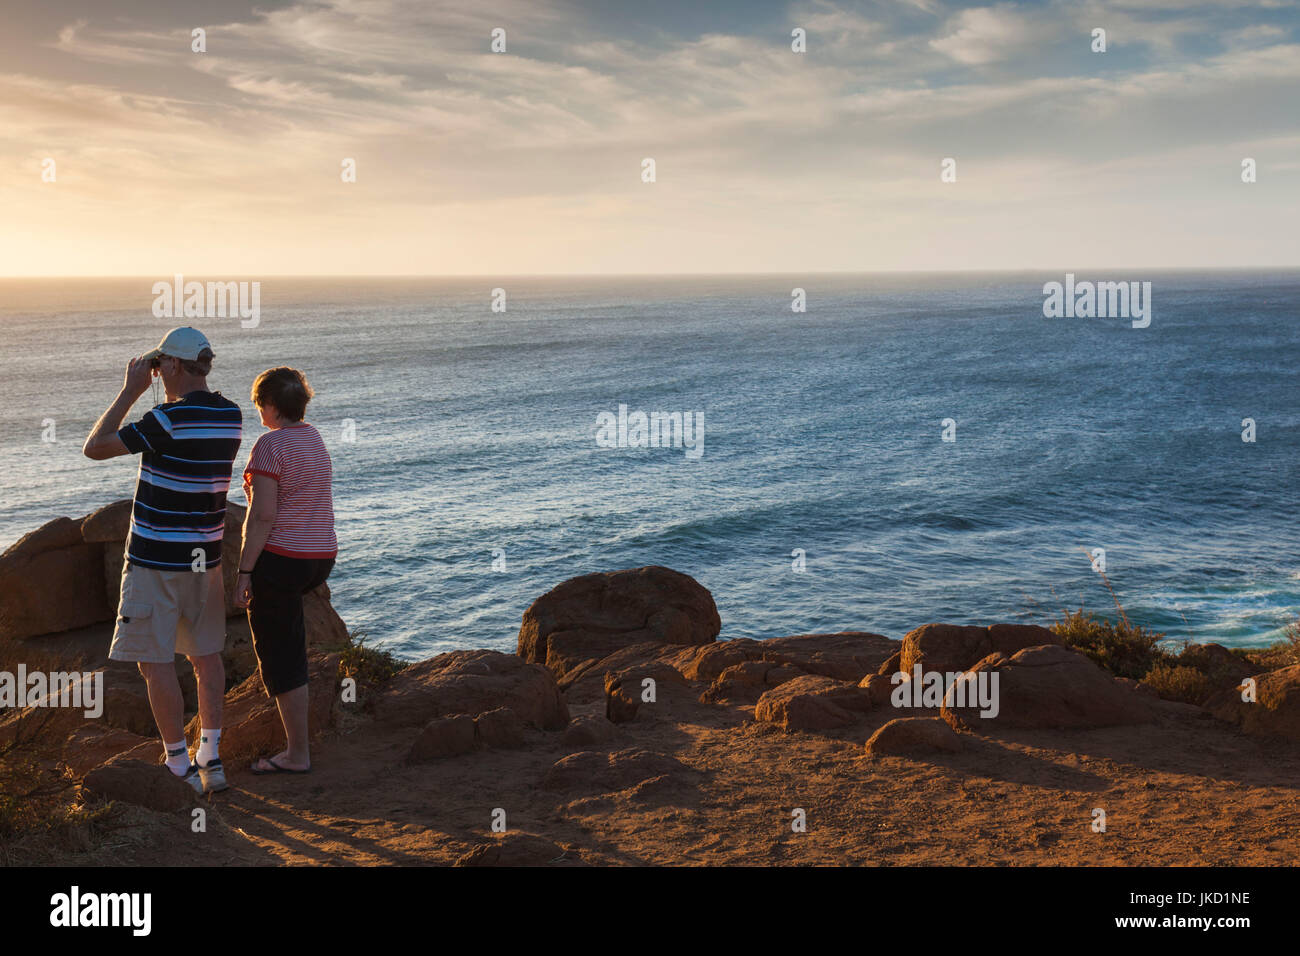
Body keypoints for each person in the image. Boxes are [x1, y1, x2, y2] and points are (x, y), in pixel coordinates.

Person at [82, 327, 242, 795]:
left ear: (172, 365)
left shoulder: (165, 419)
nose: (156, 373)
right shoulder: (231, 415)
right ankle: (211, 758)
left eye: (159, 364)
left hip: (155, 561)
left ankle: (177, 764)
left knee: (153, 662)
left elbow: (96, 446)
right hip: (204, 560)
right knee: (205, 656)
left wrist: (129, 390)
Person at [233, 367, 336, 775]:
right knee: (291, 639)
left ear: (271, 405)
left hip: (283, 560)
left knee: (281, 653)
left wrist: (244, 573)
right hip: (320, 556)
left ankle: (297, 754)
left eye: (259, 403)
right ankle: (298, 742)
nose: (258, 409)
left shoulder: (270, 445)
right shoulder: (313, 438)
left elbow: (261, 517)